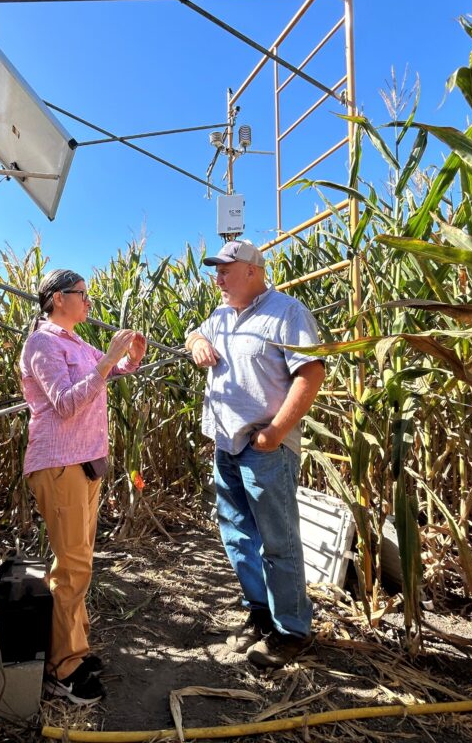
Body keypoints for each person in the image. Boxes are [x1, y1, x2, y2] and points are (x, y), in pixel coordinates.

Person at [185, 239, 325, 669]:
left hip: (265, 449)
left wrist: (275, 433)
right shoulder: (220, 315)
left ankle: (291, 631)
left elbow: (310, 374)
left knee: (278, 542)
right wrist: (195, 342)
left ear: (252, 270)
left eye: (225, 269)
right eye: (217, 270)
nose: (217, 277)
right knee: (238, 535)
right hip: (225, 446)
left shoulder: (287, 312)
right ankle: (260, 612)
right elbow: (195, 333)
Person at [20, 269, 147, 705]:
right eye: (82, 295)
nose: (89, 302)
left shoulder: (74, 342)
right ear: (57, 299)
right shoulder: (42, 343)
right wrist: (109, 359)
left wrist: (130, 359)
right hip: (59, 463)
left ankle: (76, 648)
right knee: (72, 568)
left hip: (84, 465)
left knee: (80, 563)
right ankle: (63, 669)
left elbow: (105, 375)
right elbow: (67, 402)